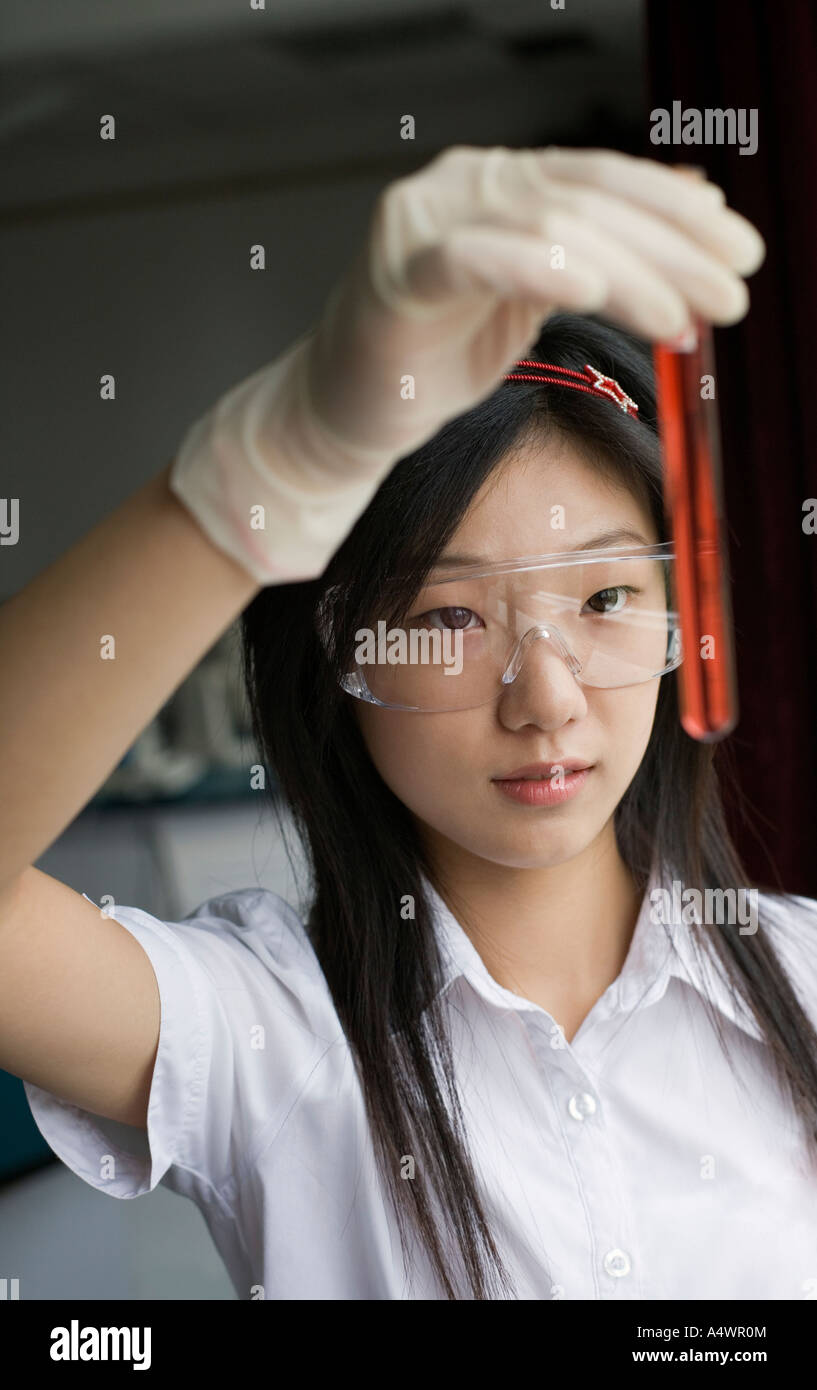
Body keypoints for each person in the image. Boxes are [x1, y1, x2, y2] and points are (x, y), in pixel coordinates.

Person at [1, 145, 815, 1302]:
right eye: (444, 616)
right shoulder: (271, 1039)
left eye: (603, 599)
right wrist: (256, 476)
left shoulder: (804, 979)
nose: (546, 700)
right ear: (334, 658)